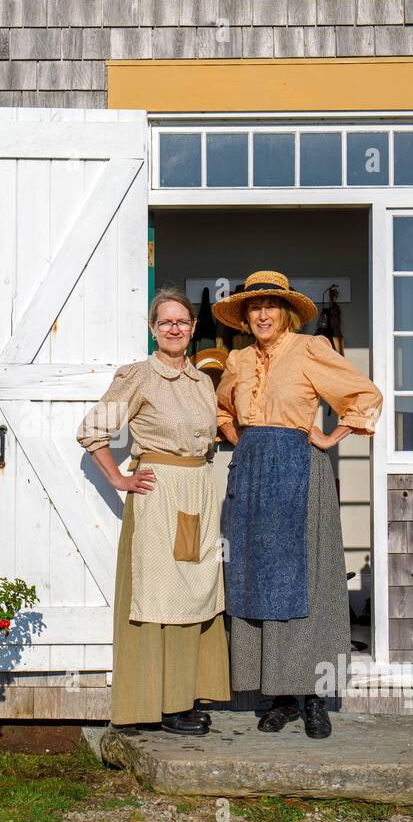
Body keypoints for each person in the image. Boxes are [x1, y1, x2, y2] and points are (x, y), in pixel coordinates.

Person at [213, 271, 383, 738]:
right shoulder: (238, 359)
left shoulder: (311, 349)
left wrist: (329, 436)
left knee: (305, 581)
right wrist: (242, 441)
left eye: (270, 306)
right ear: (245, 316)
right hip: (251, 477)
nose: (262, 314)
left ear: (286, 312)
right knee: (256, 579)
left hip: (300, 472)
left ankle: (313, 698)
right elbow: (222, 411)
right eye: (253, 307)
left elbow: (364, 395)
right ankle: (279, 695)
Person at [77, 288, 230, 736]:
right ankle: (151, 703)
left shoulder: (204, 382)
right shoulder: (138, 376)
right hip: (160, 495)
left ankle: (182, 699)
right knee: (158, 597)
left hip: (199, 492)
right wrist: (120, 479)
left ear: (193, 328)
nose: (175, 329)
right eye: (166, 322)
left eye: (182, 321)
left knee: (195, 593)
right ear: (152, 329)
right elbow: (91, 431)